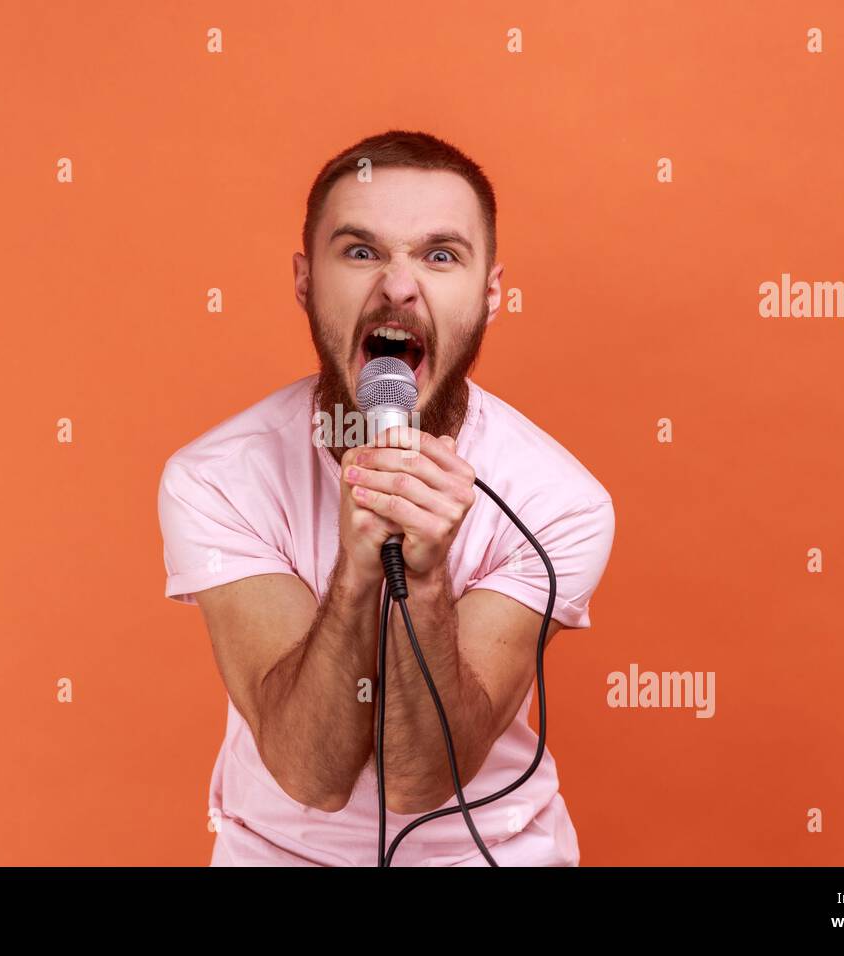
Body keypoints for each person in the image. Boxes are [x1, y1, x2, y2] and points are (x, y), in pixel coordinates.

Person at [157, 129, 616, 866]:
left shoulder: (558, 501)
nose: (399, 287)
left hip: (488, 854)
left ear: (491, 293)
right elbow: (311, 772)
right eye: (362, 251)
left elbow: (420, 777)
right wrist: (358, 570)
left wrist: (424, 579)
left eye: (440, 255)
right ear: (305, 280)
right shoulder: (216, 477)